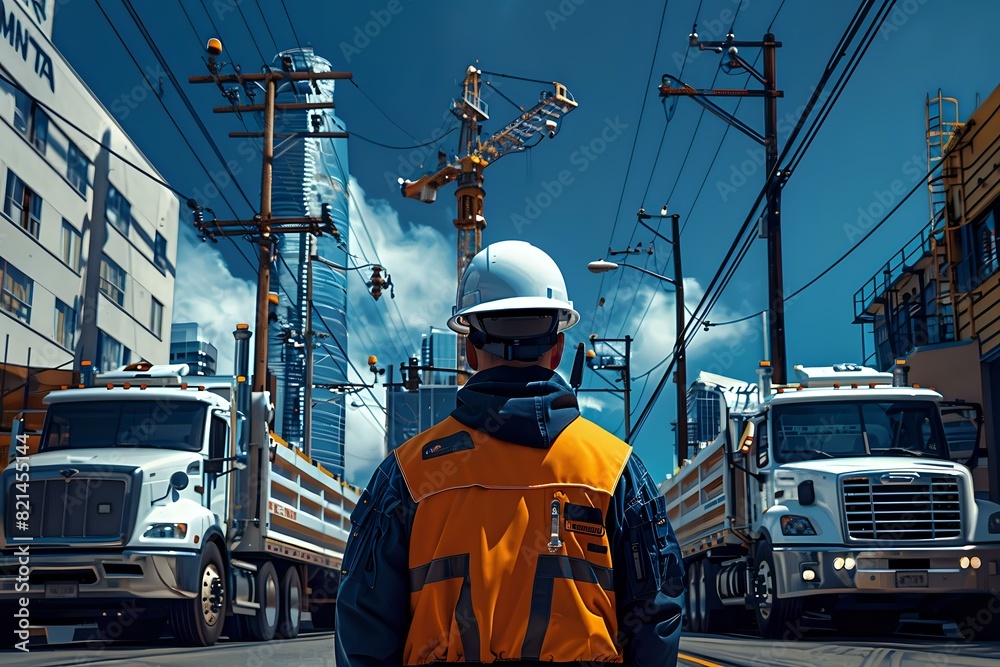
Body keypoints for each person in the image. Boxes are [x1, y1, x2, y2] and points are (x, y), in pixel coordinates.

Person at [335, 240, 683, 666]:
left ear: (468, 350)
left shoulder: (406, 474)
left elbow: (362, 625)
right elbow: (656, 613)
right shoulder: (615, 470)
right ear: (556, 350)